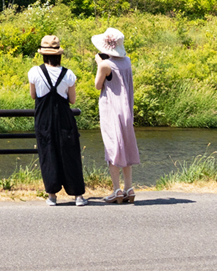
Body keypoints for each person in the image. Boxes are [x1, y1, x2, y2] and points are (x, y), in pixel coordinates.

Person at [28, 34, 87, 206]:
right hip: (64, 119)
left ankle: (52, 195)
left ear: (43, 54)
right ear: (59, 54)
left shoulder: (34, 72)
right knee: (70, 154)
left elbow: (33, 95)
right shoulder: (68, 74)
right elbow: (73, 100)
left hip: (43, 119)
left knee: (48, 153)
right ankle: (78, 196)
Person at [93, 27, 140, 203]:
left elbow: (98, 85)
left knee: (113, 148)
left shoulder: (105, 64)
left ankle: (116, 190)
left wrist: (99, 63)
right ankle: (129, 188)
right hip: (126, 110)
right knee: (126, 147)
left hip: (110, 109)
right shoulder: (127, 61)